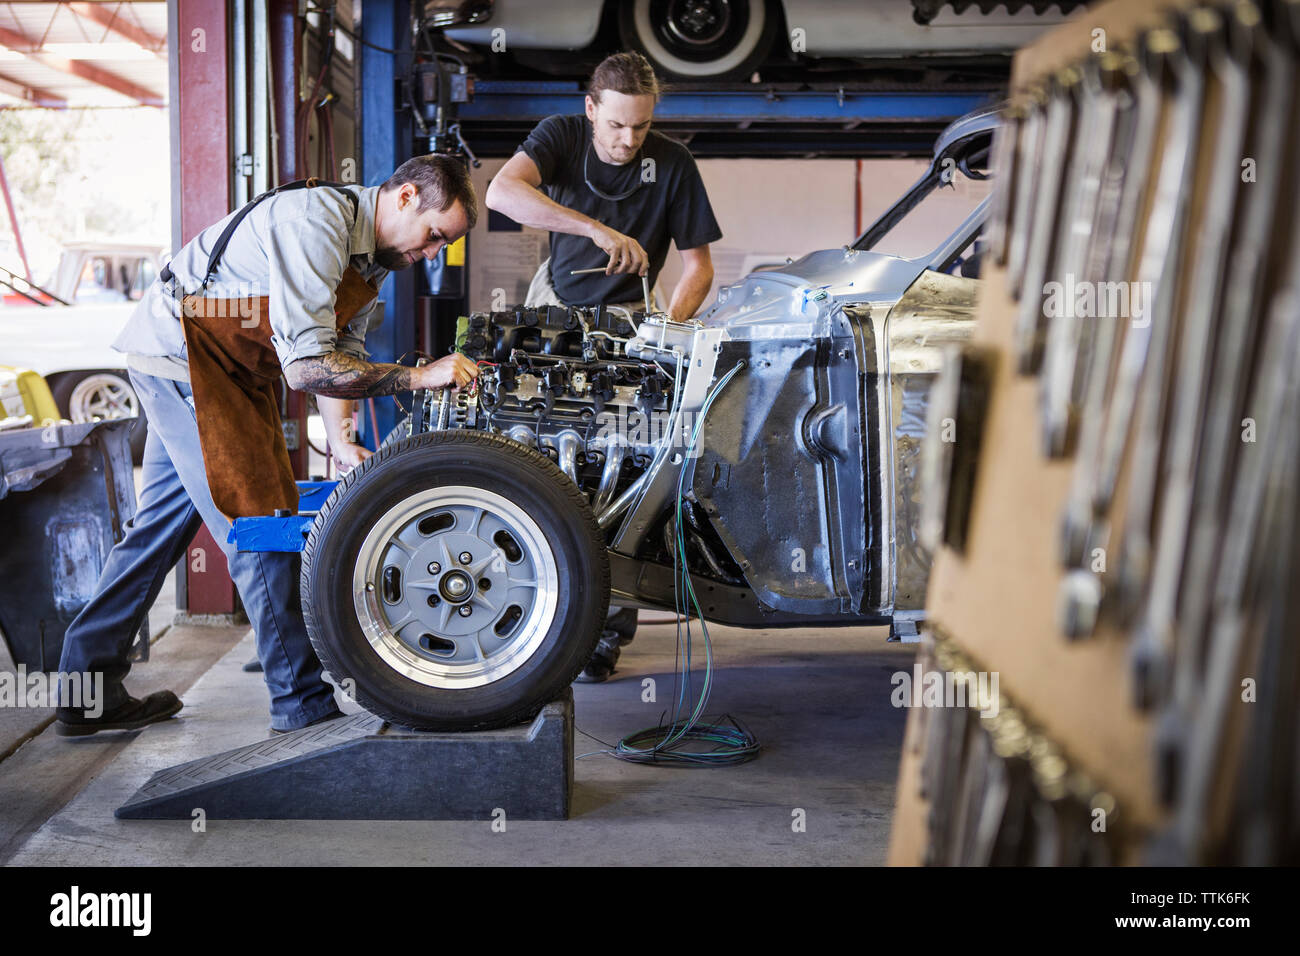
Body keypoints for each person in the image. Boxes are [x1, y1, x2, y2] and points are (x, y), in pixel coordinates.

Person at [55, 155, 480, 737]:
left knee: (157, 531)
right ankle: (301, 706)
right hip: (189, 365)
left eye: (444, 247)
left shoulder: (371, 263)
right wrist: (418, 376)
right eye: (435, 237)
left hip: (226, 374)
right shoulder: (317, 223)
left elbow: (342, 362)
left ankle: (87, 689)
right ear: (404, 196)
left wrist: (340, 439)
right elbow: (308, 370)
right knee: (258, 526)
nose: (432, 255)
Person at [485, 51, 722, 680]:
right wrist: (595, 229)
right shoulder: (561, 137)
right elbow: (502, 192)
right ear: (591, 109)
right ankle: (529, 608)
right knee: (535, 456)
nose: (627, 139)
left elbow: (698, 267)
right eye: (616, 124)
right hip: (554, 306)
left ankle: (603, 634)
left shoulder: (673, 164)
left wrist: (669, 329)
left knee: (620, 467)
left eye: (640, 126)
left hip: (630, 324)